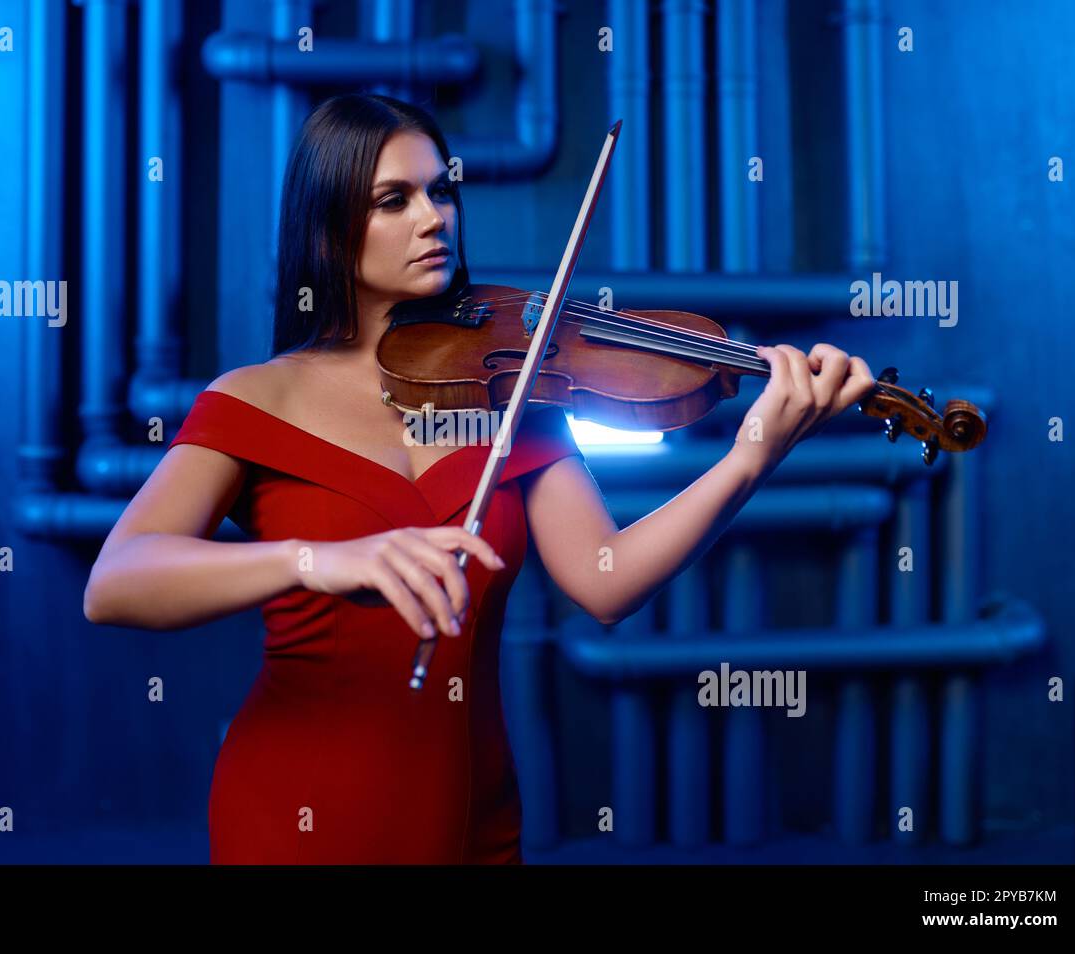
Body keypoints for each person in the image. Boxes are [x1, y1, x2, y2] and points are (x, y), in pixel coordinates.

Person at [82, 93, 876, 864]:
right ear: (327, 224)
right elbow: (115, 582)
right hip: (300, 811)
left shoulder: (509, 383)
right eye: (393, 200)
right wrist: (312, 560)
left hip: (471, 810)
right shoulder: (255, 397)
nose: (434, 218)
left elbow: (606, 583)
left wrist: (750, 457)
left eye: (440, 190)